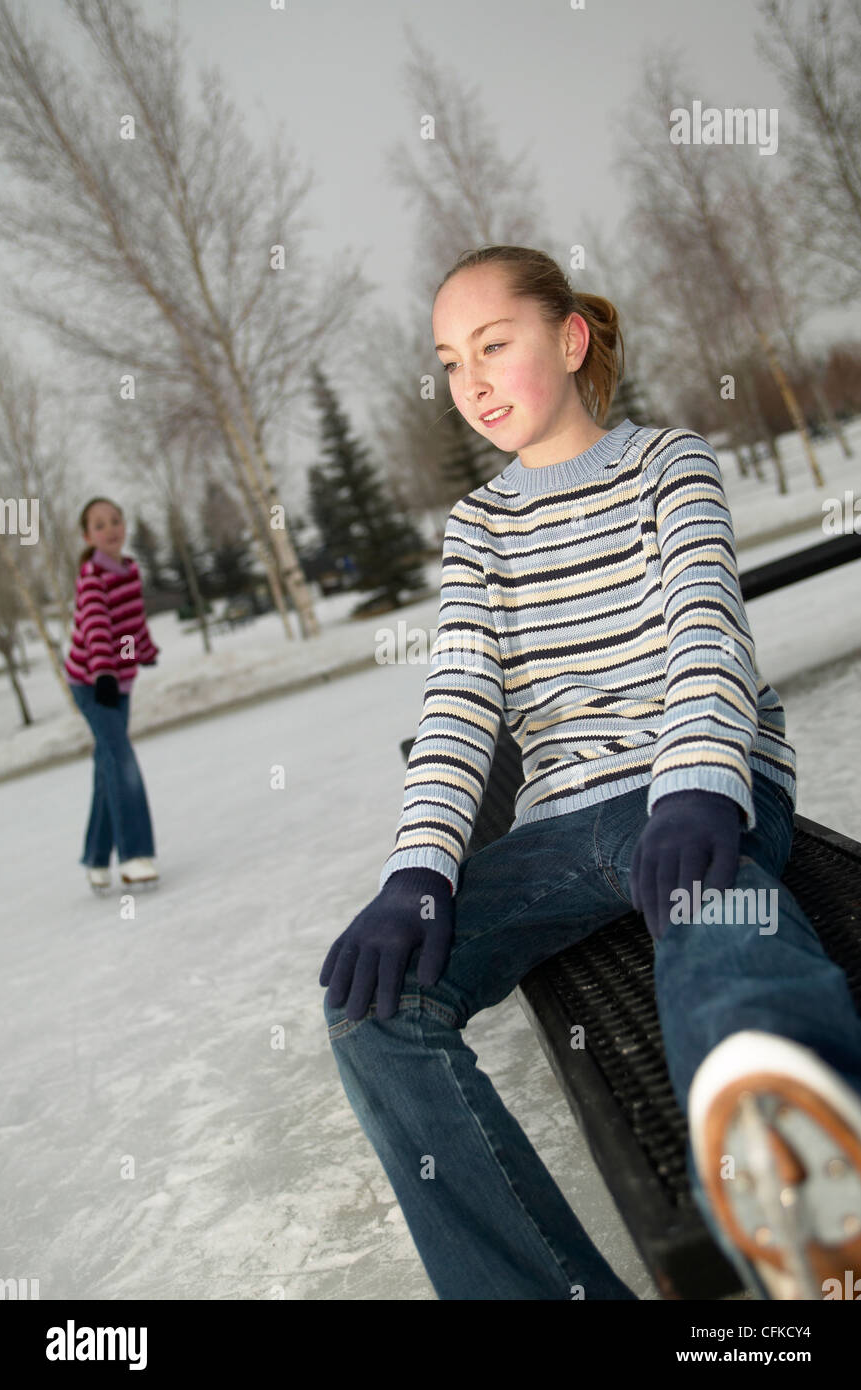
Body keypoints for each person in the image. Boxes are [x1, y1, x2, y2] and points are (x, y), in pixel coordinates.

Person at [319, 245, 861, 1301]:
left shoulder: (669, 464)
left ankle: (803, 1172)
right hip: (563, 828)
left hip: (688, 790)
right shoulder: (477, 530)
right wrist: (417, 872)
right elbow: (459, 706)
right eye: (447, 362)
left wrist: (702, 779)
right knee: (370, 1007)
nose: (469, 380)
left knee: (712, 915)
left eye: (493, 345)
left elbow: (706, 622)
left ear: (567, 342)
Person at [65, 496, 160, 893]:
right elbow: (98, 628)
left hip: (118, 682)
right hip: (91, 682)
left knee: (108, 765)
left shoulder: (129, 571)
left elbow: (131, 623)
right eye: (99, 524)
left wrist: (146, 649)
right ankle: (135, 855)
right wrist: (103, 672)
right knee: (121, 760)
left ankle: (95, 857)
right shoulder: (92, 578)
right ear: (89, 536)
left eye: (115, 520)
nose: (110, 529)